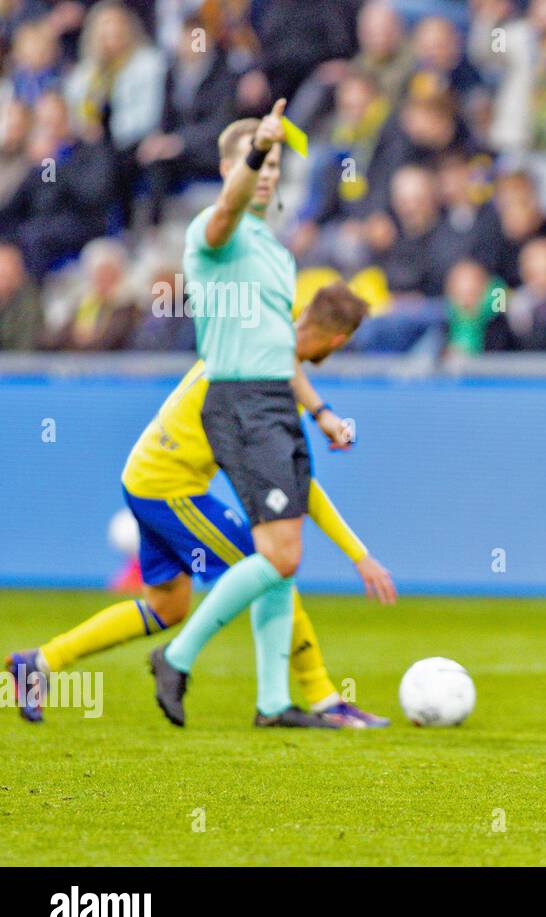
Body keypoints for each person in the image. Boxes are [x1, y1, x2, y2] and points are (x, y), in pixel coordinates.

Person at [5, 284, 394, 728]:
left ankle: (39, 661)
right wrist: (360, 556)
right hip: (171, 488)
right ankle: (318, 698)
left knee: (167, 607)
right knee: (274, 563)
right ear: (338, 342)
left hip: (145, 475)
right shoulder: (267, 384)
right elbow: (299, 485)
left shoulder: (254, 345)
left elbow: (293, 479)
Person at [149, 102, 356, 728]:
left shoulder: (273, 250)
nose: (266, 175)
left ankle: (272, 704)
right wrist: (258, 149)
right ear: (230, 166)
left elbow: (280, 345)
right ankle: (177, 655)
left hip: (272, 397)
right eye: (255, 164)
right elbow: (229, 207)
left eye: (273, 165)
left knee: (278, 553)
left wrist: (318, 411)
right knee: (281, 555)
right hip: (239, 399)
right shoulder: (214, 232)